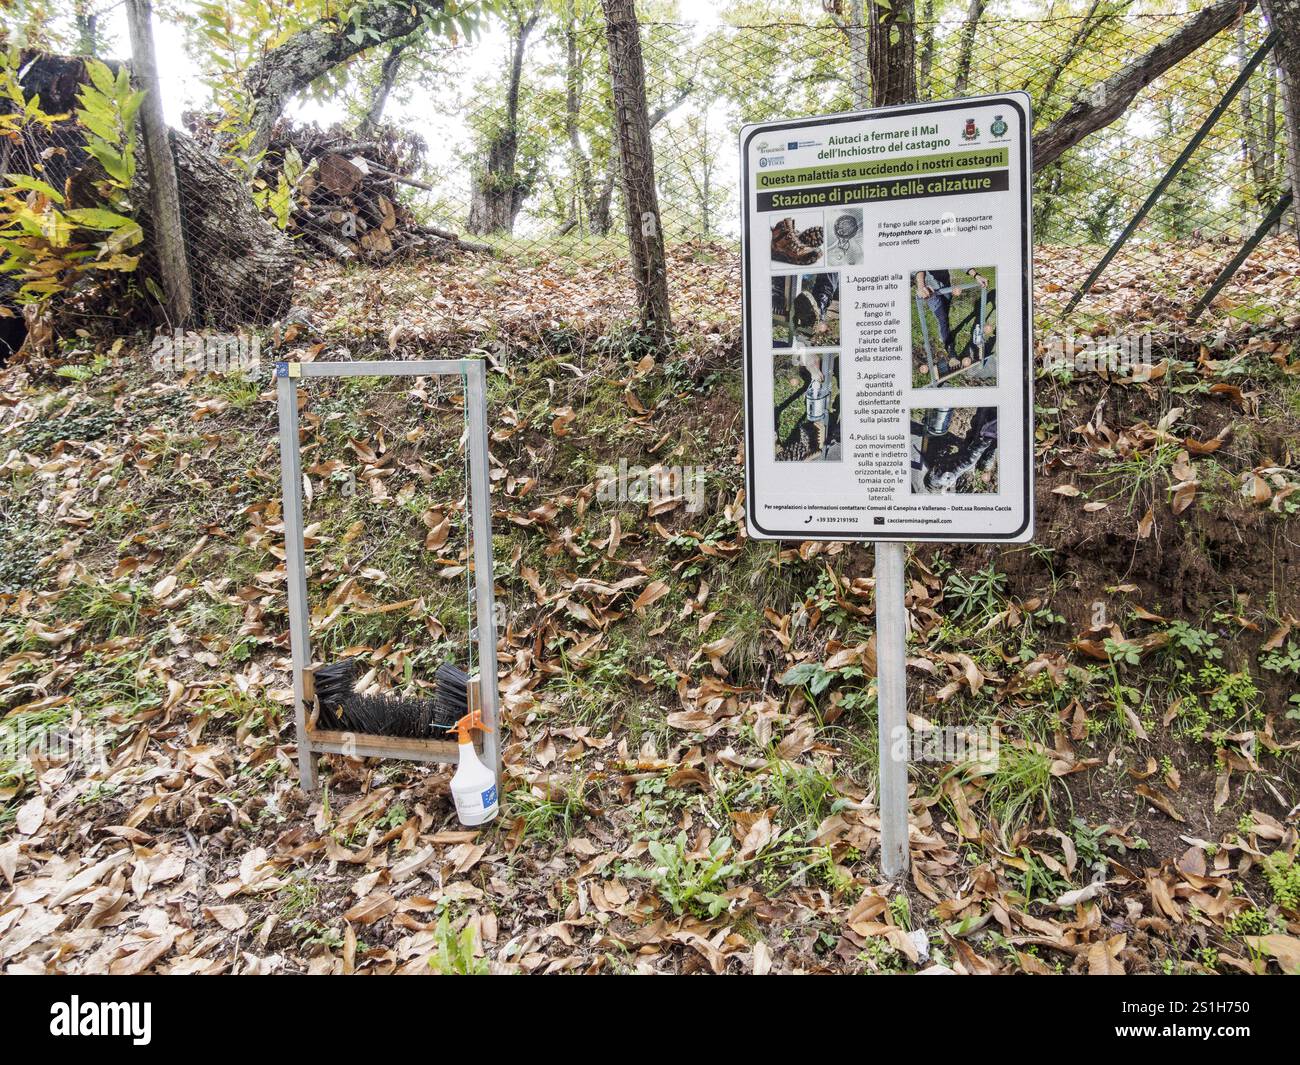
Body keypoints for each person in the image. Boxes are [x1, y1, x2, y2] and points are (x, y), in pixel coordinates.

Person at [916, 268, 989, 377]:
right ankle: (951, 353)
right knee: (942, 318)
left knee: (945, 315)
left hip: (947, 287)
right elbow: (919, 266)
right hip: (931, 291)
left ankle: (943, 333)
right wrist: (921, 285)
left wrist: (976, 275)